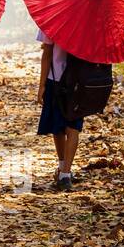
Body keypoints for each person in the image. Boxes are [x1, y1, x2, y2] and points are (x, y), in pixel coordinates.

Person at [36, 29, 80, 191]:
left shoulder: (52, 18)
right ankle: (65, 174)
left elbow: (47, 54)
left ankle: (63, 166)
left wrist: (42, 85)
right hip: (81, 82)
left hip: (56, 80)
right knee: (73, 127)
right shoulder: (90, 19)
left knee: (58, 125)